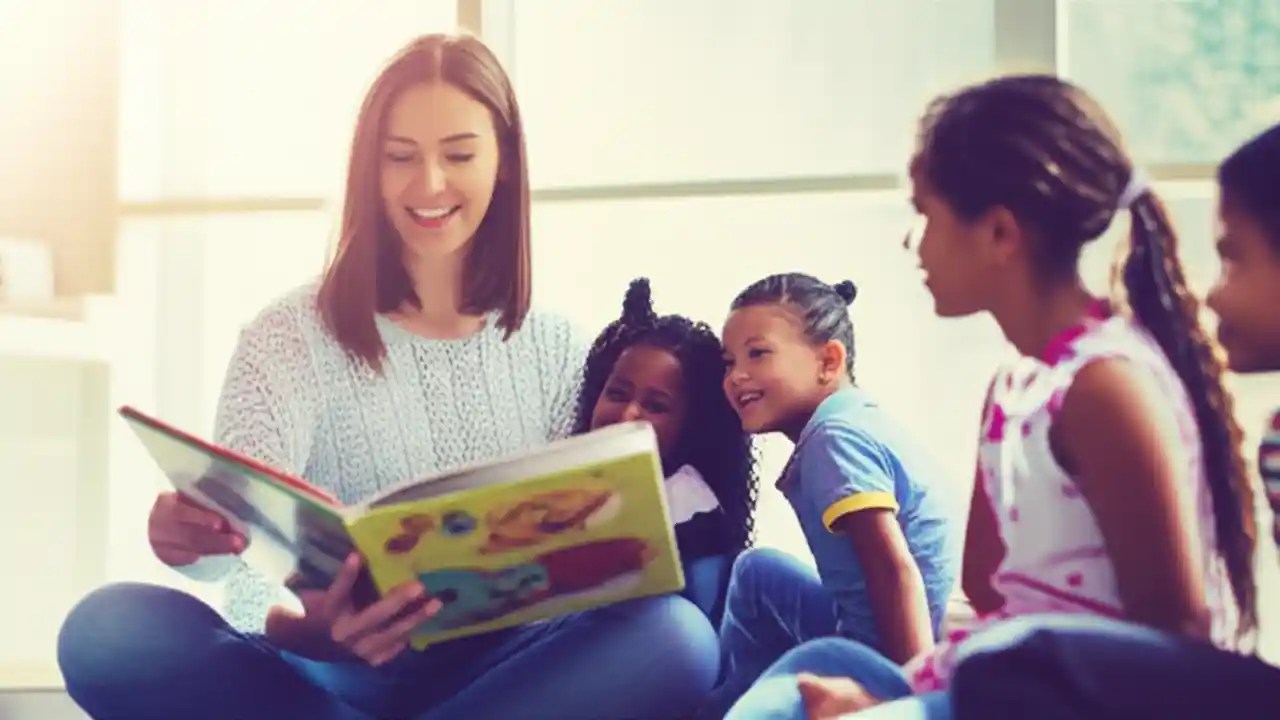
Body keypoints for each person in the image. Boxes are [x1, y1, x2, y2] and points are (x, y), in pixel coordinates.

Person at [56, 33, 718, 720]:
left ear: (505, 161)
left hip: (505, 672)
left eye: (458, 154)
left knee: (679, 639)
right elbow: (245, 580)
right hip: (322, 676)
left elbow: (581, 571)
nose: (428, 184)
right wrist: (296, 619)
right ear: (368, 169)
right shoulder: (286, 339)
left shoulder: (559, 348)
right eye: (400, 157)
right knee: (107, 632)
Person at [723, 75, 1259, 720]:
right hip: (989, 680)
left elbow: (1169, 647)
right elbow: (986, 585)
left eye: (926, 214)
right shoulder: (1016, 386)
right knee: (783, 692)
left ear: (1000, 233)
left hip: (1060, 698)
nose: (911, 241)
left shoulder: (1107, 387)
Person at [934, 121, 1280, 720]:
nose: (1214, 295)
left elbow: (1177, 621)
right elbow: (987, 581)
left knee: (1009, 664)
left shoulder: (1104, 382)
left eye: (1233, 259)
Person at [701, 272, 960, 717]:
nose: (737, 376)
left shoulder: (834, 439)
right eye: (729, 362)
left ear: (828, 362)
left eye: (758, 354)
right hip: (870, 625)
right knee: (756, 572)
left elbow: (894, 570)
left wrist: (908, 694)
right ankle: (730, 697)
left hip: (880, 652)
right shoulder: (855, 418)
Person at [576, 276, 760, 623]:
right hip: (544, 647)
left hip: (649, 655)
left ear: (691, 427)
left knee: (681, 632)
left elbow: (696, 633)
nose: (627, 413)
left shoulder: (691, 509)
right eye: (616, 393)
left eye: (656, 406)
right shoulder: (560, 486)